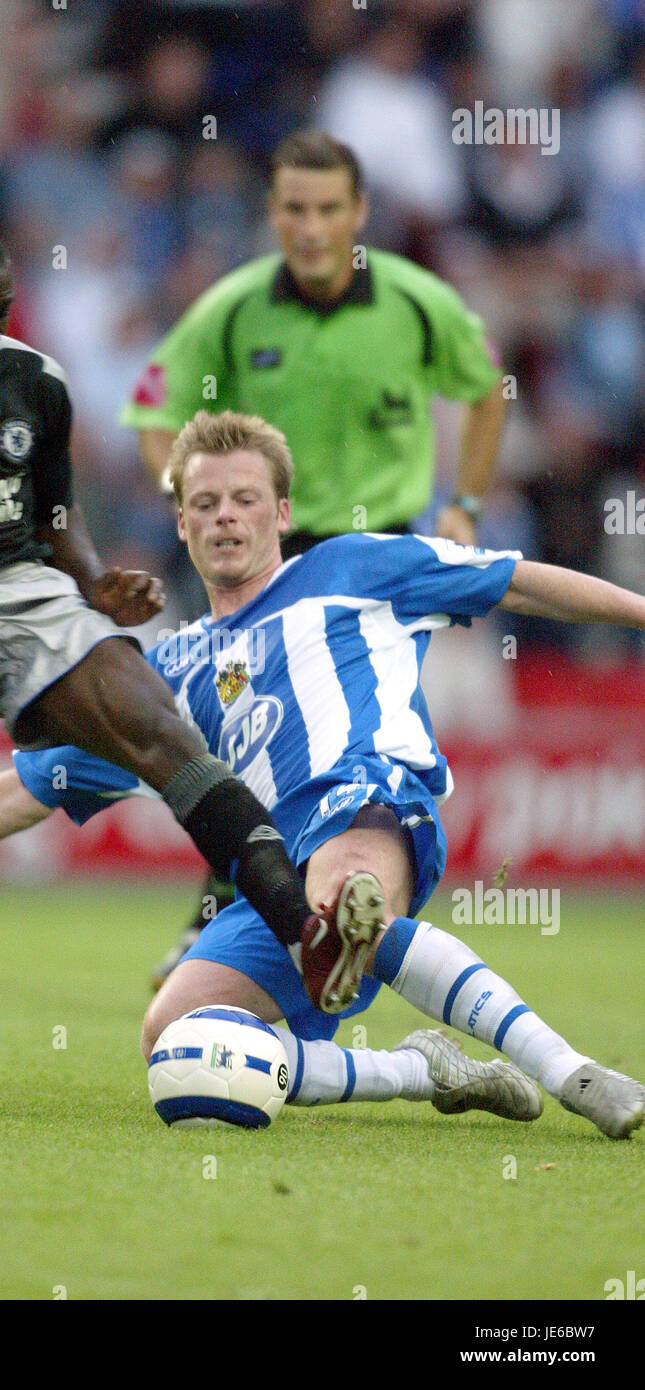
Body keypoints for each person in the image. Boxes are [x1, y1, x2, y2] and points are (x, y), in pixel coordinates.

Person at [0, 410, 644, 1140]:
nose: (225, 517)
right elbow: (32, 784)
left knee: (343, 899)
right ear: (181, 523)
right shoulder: (168, 674)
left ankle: (571, 1073)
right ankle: (424, 1072)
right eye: (204, 503)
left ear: (280, 510)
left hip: (369, 802)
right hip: (269, 880)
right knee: (178, 1039)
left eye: (242, 500)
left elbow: (517, 585)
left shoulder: (352, 567)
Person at [0, 219, 356, 1090]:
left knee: (152, 718)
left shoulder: (34, 381)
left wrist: (93, 581)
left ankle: (301, 931)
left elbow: (55, 516)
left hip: (24, 595)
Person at [121, 129, 508, 983]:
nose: (310, 227)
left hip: (375, 561)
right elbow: (152, 405)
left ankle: (347, 903)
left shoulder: (415, 302)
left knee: (357, 745)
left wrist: (467, 504)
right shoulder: (232, 307)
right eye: (294, 208)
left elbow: (486, 389)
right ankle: (282, 912)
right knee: (244, 748)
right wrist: (185, 496)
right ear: (273, 213)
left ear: (358, 213)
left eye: (328, 209)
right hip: (267, 553)